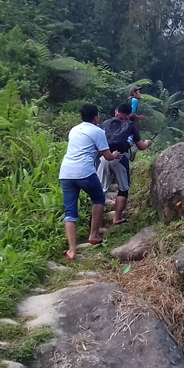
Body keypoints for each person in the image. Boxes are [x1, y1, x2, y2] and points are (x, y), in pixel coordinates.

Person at [59, 103, 122, 260]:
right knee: (99, 197)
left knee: (70, 212)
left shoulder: (74, 130)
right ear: (96, 117)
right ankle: (93, 234)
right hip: (85, 172)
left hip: (66, 172)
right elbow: (107, 156)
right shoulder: (97, 131)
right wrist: (114, 154)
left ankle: (72, 250)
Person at [101, 102, 152, 226]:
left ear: (116, 112)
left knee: (101, 190)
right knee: (123, 189)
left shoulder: (105, 123)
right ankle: (117, 218)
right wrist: (148, 142)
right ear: (129, 114)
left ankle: (95, 223)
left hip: (104, 157)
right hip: (120, 158)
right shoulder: (130, 125)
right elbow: (141, 146)